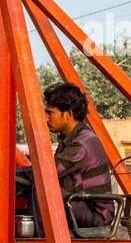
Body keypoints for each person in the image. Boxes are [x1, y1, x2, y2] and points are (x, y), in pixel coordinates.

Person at [43, 83, 116, 231]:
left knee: (42, 186)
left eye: (50, 113)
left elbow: (46, 172)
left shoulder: (82, 144)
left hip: (95, 215)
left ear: (68, 114)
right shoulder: (72, 139)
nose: (46, 118)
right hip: (81, 206)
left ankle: (36, 236)